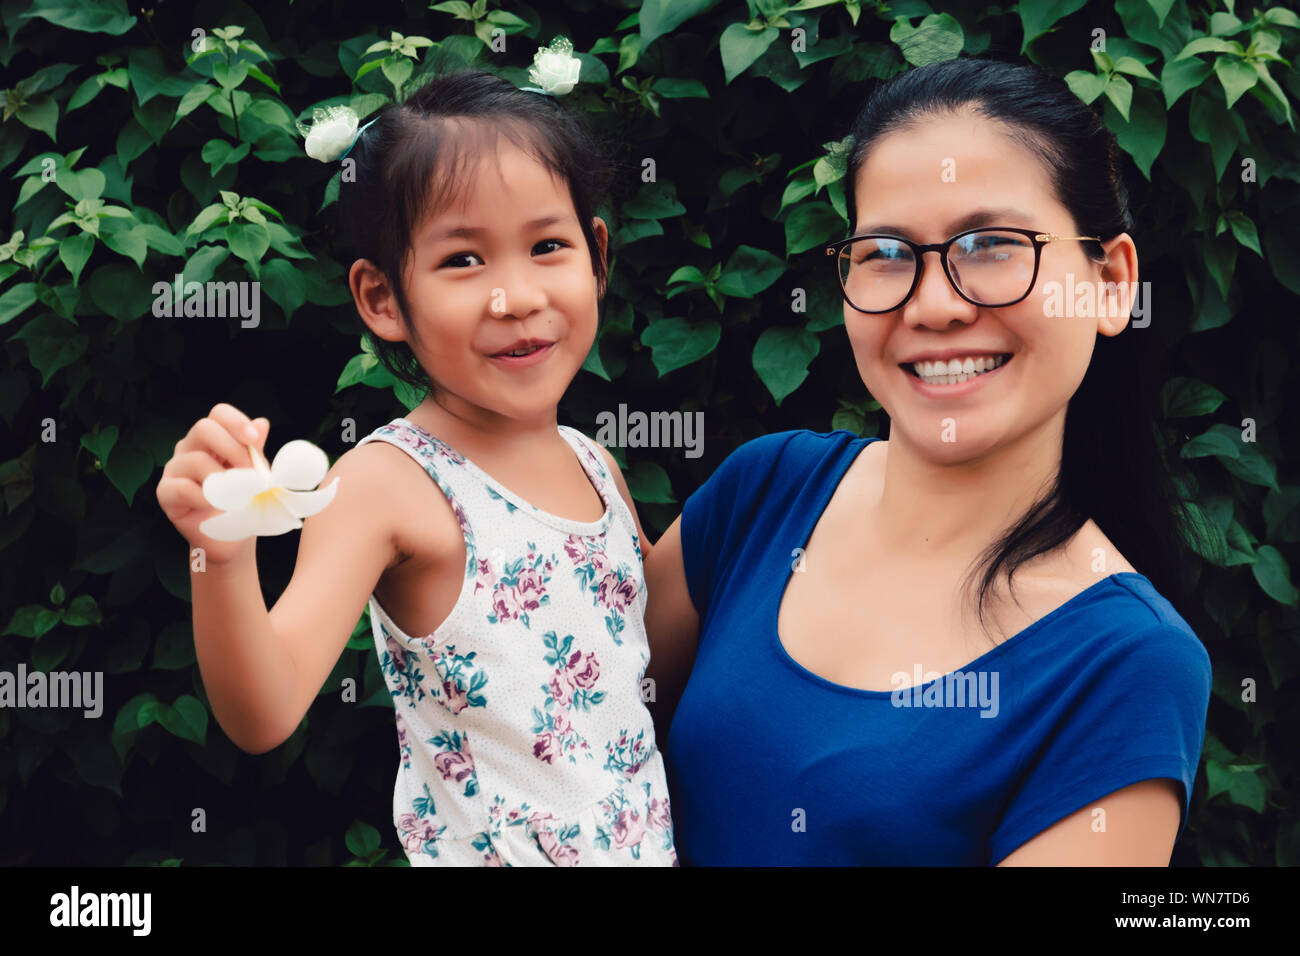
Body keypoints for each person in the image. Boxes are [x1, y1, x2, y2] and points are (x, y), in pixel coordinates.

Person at [644, 57, 1213, 866]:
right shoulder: (763, 493)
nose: (936, 304)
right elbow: (561, 733)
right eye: (885, 253)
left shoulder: (1125, 664)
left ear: (1109, 283)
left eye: (991, 245)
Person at [156, 68, 677, 866]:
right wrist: (221, 556)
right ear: (382, 299)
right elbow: (263, 712)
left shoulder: (593, 463)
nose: (514, 296)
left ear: (596, 253)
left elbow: (657, 665)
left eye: (547, 246)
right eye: (463, 260)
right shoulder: (386, 483)